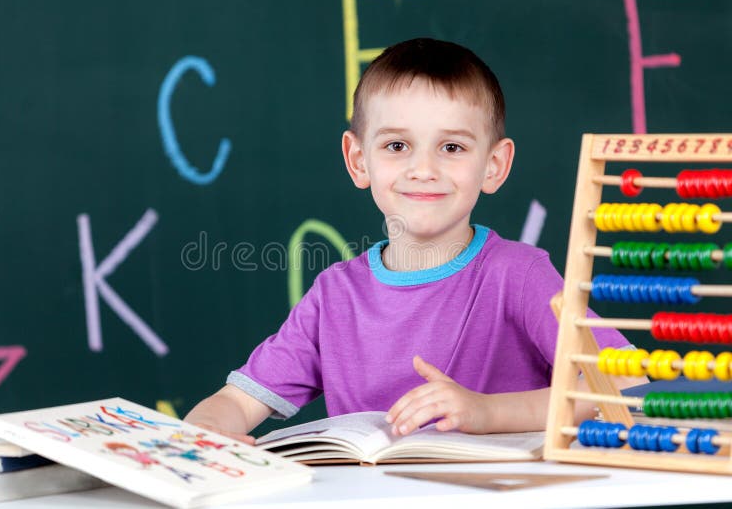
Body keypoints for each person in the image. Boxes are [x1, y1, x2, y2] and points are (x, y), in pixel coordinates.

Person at [184, 38, 643, 444]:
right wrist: (207, 434)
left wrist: (486, 411)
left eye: (452, 147)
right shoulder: (334, 295)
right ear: (358, 160)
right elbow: (237, 402)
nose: (424, 169)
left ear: (494, 166)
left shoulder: (518, 275)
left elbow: (626, 381)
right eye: (397, 146)